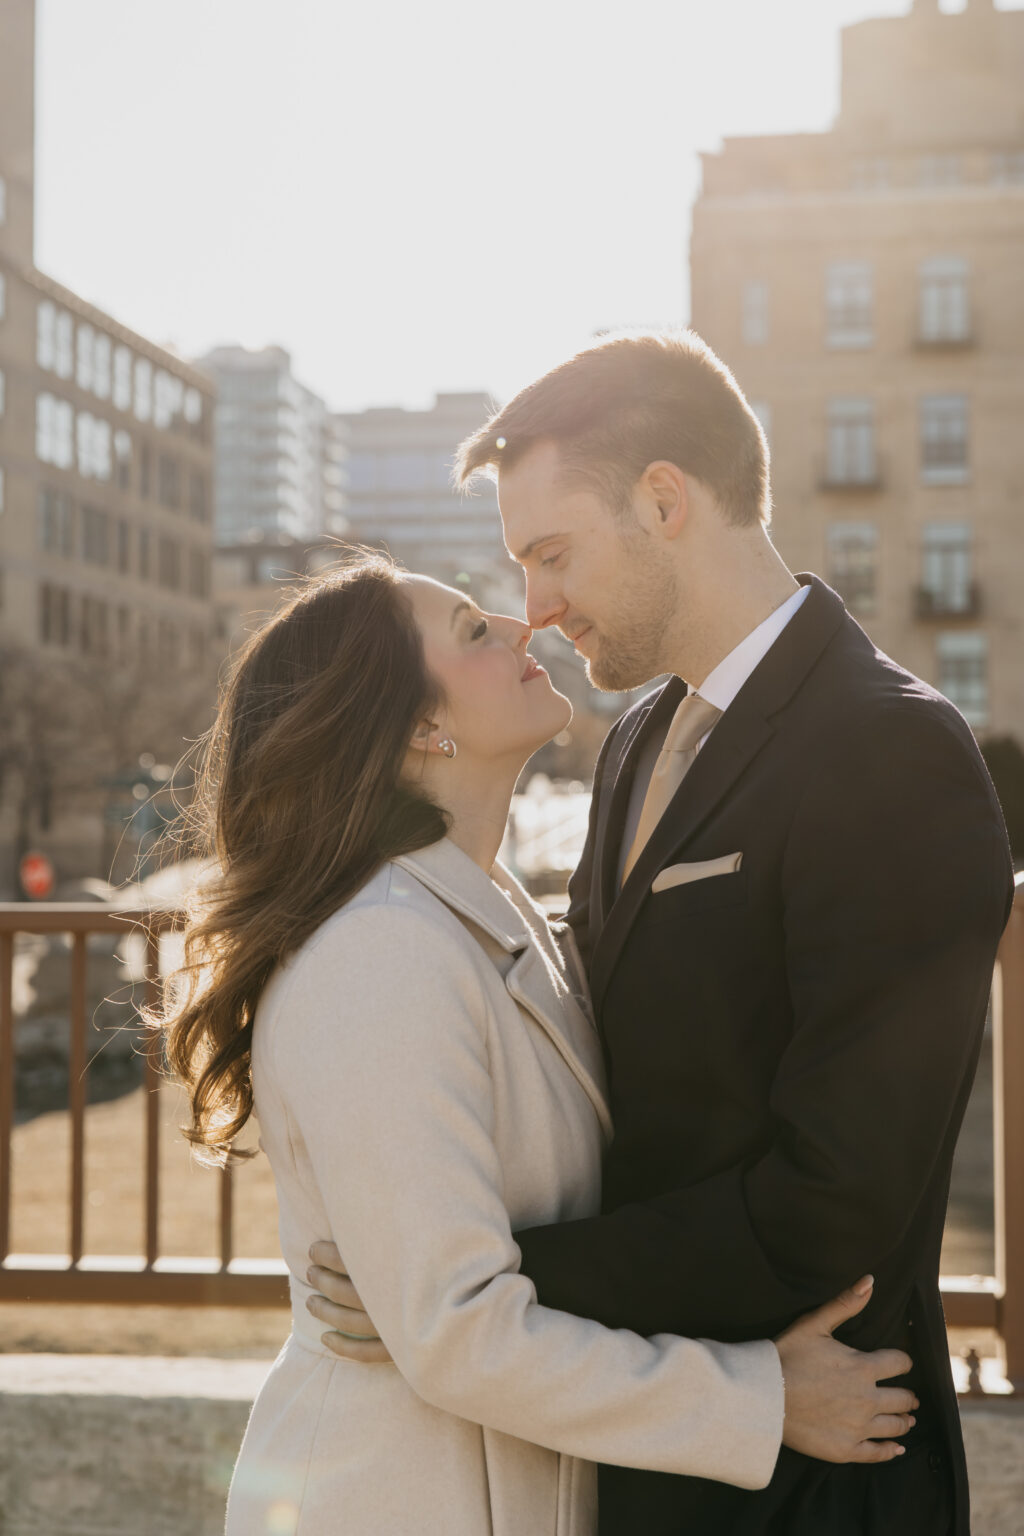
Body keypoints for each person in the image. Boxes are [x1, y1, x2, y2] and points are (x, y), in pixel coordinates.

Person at [307, 331, 1014, 1536]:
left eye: (550, 554)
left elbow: (837, 1197)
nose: (535, 607)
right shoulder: (637, 744)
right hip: (643, 1450)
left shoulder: (889, 749)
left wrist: (490, 1288)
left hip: (820, 1468)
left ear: (665, 500)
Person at [157, 553, 917, 1536]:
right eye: (474, 630)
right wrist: (760, 1397)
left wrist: (437, 1292)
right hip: (395, 1497)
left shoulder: (485, 915)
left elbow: (461, 1297)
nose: (521, 626)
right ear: (420, 727)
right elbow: (459, 1334)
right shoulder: (382, 954)